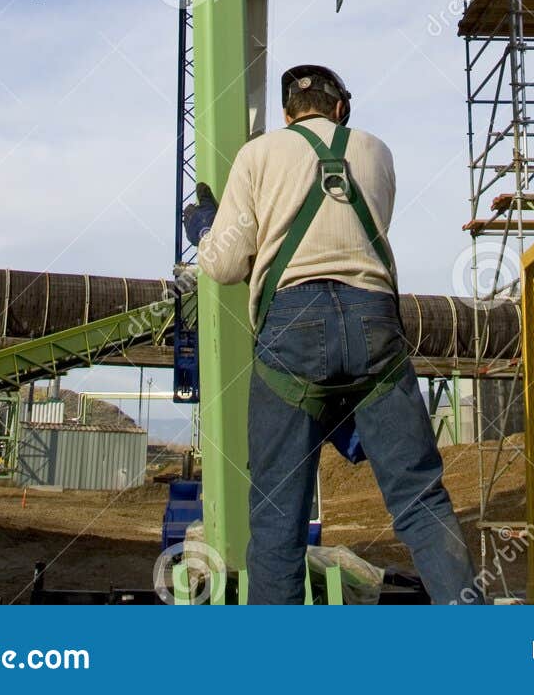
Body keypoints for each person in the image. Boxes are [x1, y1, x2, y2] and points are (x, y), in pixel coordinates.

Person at [184, 63, 481, 605]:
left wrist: (204, 225)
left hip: (293, 328)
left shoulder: (259, 155)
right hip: (375, 324)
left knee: (277, 514)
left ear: (286, 114)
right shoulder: (376, 151)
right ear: (340, 108)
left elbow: (225, 265)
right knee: (420, 498)